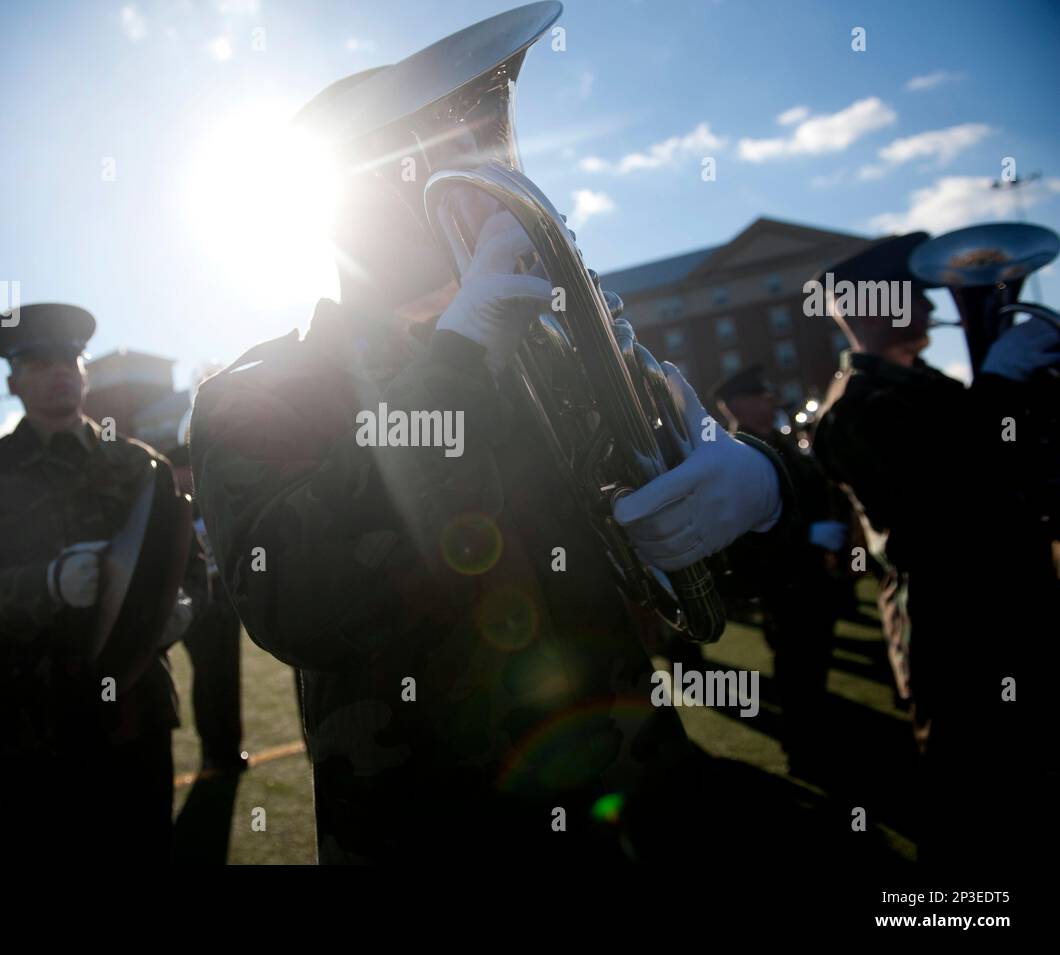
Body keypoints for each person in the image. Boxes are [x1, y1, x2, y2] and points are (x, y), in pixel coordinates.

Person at [190, 57, 798, 864]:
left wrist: (764, 485)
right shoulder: (262, 388)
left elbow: (710, 554)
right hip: (428, 832)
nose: (500, 179)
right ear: (359, 207)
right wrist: (459, 362)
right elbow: (295, 599)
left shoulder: (549, 350)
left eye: (494, 153)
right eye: (456, 162)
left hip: (631, 805)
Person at [812, 232, 1060, 865]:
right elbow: (940, 499)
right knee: (972, 805)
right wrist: (1002, 382)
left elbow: (1012, 468)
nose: (931, 307)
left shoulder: (933, 387)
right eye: (915, 294)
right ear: (872, 307)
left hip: (1019, 609)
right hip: (956, 633)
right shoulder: (854, 409)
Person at [0, 304, 179, 864]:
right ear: (13, 382)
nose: (60, 371)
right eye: (39, 362)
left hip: (133, 714)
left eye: (69, 358)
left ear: (85, 371)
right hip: (26, 724)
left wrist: (179, 609)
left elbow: (187, 572)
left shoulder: (142, 468)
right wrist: (47, 584)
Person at [713, 365, 847, 778]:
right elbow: (746, 531)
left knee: (815, 660)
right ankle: (804, 752)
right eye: (760, 395)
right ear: (736, 404)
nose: (770, 400)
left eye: (770, 394)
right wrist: (809, 534)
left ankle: (813, 739)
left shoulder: (778, 442)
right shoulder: (736, 453)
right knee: (796, 668)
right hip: (782, 581)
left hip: (813, 576)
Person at [165, 419, 249, 777]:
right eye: (184, 470)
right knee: (212, 676)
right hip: (196, 600)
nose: (190, 477)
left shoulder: (208, 501)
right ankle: (219, 750)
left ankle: (223, 749)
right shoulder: (174, 508)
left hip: (219, 599)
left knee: (221, 675)